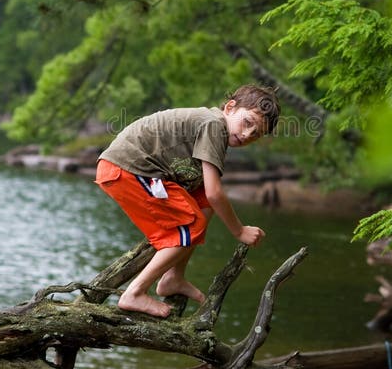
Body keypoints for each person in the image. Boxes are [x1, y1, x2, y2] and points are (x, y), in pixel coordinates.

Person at [95, 84, 280, 317]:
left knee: (202, 203)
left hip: (138, 171)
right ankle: (134, 293)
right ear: (231, 107)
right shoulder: (214, 125)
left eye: (256, 134)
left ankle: (173, 277)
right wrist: (239, 231)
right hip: (127, 169)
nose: (246, 135)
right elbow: (216, 191)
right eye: (248, 123)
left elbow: (208, 196)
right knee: (189, 227)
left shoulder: (215, 127)